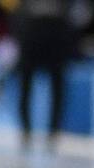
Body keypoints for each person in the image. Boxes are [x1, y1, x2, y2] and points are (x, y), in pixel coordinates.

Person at [13, 0, 81, 149]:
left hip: (53, 34)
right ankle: (27, 131)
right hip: (34, 34)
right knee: (27, 85)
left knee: (56, 87)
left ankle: (52, 132)